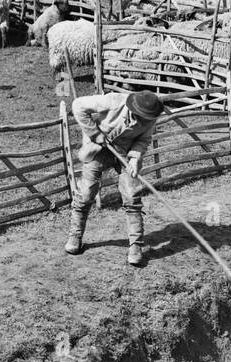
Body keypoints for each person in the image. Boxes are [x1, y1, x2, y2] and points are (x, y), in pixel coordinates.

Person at [67, 90, 164, 266]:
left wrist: (135, 158)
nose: (145, 121)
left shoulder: (150, 118)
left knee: (132, 196)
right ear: (134, 110)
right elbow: (78, 105)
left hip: (125, 154)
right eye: (142, 117)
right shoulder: (113, 101)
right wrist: (95, 134)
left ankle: (135, 246)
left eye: (147, 118)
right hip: (97, 149)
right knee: (87, 193)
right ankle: (75, 236)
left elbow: (143, 140)